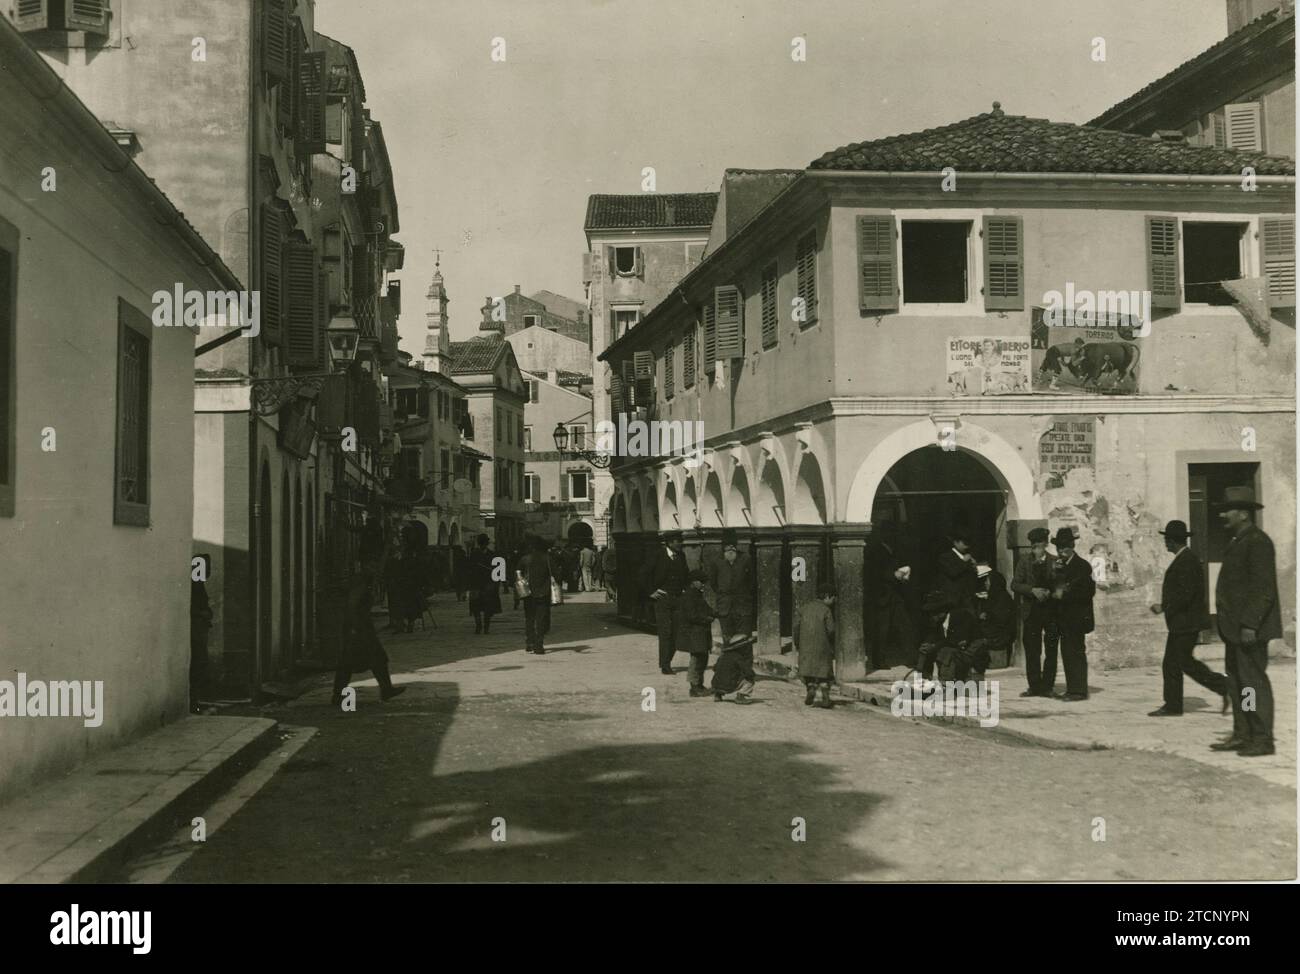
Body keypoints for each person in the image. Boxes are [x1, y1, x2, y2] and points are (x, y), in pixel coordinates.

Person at [1212, 487, 1278, 757]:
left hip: (1248, 630)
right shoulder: (1239, 540)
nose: (1222, 514)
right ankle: (1243, 733)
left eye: (1228, 510)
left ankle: (1261, 738)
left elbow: (1264, 589)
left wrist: (1250, 624)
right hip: (1235, 630)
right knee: (1238, 683)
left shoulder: (1258, 542)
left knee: (1251, 684)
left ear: (1243, 513)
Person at [1148, 519, 1223, 718]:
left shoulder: (1187, 561)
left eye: (1167, 540)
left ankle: (1227, 688)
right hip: (1183, 622)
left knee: (1179, 663)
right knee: (1181, 663)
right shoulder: (1185, 559)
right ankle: (1175, 704)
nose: (1165, 543)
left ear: (1172, 541)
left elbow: (1185, 594)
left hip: (1186, 622)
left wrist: (1163, 606)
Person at [332, 556, 407, 706]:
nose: (376, 567)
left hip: (360, 625)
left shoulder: (367, 580)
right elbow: (352, 604)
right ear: (365, 565)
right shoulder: (361, 581)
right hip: (359, 627)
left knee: (358, 660)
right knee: (367, 659)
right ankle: (385, 690)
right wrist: (354, 627)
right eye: (373, 564)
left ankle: (339, 695)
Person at [1011, 526, 1059, 697]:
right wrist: (1032, 591)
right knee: (1032, 650)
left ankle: (1048, 686)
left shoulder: (1054, 560)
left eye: (1039, 545)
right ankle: (1034, 686)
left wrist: (1049, 592)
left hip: (1051, 611)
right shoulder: (1024, 561)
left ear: (1045, 544)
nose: (1036, 549)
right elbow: (1015, 584)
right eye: (1033, 546)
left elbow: (1060, 583)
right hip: (1031, 611)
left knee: (1051, 649)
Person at [1050, 527, 1095, 701]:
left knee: (1076, 652)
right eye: (1058, 548)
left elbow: (1087, 592)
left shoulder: (1082, 566)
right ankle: (1072, 688)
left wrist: (1065, 593)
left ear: (1072, 546)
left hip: (1077, 617)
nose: (1061, 551)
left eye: (1064, 547)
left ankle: (1079, 690)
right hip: (1064, 618)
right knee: (1067, 652)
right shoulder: (1060, 566)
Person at [864, 520, 914, 666]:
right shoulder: (876, 550)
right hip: (881, 595)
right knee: (881, 629)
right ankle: (879, 661)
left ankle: (912, 659)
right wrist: (894, 575)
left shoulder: (893, 549)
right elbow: (874, 573)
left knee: (904, 625)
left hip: (894, 595)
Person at [640, 530, 689, 674]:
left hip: (678, 598)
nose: (680, 544)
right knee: (665, 632)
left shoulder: (681, 556)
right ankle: (665, 664)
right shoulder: (657, 556)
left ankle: (667, 660)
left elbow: (685, 575)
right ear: (669, 542)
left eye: (681, 541)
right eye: (677, 541)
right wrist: (651, 591)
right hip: (663, 599)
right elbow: (643, 574)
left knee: (677, 632)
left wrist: (686, 590)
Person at [913, 590, 977, 683]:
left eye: (932, 613)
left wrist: (934, 646)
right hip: (954, 649)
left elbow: (957, 641)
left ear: (941, 612)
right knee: (925, 650)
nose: (931, 617)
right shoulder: (940, 621)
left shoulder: (960, 616)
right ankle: (922, 682)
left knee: (946, 652)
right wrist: (927, 645)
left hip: (970, 652)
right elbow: (935, 636)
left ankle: (946, 683)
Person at [967, 564, 1015, 681]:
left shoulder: (1002, 598)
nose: (986, 584)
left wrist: (987, 616)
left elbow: (1001, 621)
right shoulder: (994, 597)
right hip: (994, 631)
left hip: (999, 635)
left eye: (988, 581)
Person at [707, 529, 754, 643]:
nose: (731, 548)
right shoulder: (716, 561)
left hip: (742, 606)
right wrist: (723, 593)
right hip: (725, 607)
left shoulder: (746, 558)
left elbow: (752, 581)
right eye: (727, 545)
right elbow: (713, 583)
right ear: (723, 546)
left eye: (733, 544)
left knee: (743, 638)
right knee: (728, 639)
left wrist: (743, 594)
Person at [795, 582, 836, 709]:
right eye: (833, 598)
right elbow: (831, 630)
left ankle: (811, 687)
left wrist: (798, 644)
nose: (834, 601)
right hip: (823, 646)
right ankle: (824, 692)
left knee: (808, 671)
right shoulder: (826, 610)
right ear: (827, 596)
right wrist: (832, 644)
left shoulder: (804, 608)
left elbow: (796, 628)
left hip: (805, 646)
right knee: (824, 671)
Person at [680, 568, 716, 697]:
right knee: (696, 660)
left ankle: (699, 685)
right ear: (693, 582)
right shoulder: (689, 595)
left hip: (701, 632)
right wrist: (707, 618)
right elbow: (691, 616)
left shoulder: (697, 594)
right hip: (695, 632)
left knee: (702, 659)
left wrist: (714, 613)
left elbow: (707, 609)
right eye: (701, 581)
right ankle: (694, 687)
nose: (703, 584)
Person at [518, 535, 553, 654]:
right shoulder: (547, 558)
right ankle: (539, 644)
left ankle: (529, 642)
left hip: (528, 593)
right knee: (541, 618)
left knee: (529, 618)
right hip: (543, 593)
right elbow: (556, 575)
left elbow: (518, 575)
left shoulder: (524, 559)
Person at [190, 556, 213, 713]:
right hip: (196, 629)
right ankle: (193, 701)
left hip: (199, 628)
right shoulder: (195, 584)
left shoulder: (198, 583)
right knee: (198, 662)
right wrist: (204, 614)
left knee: (200, 662)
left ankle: (194, 700)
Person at [468, 533, 502, 634]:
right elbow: (470, 569)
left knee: (488, 607)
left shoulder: (491, 555)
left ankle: (486, 626)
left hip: (488, 584)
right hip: (476, 584)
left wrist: (495, 582)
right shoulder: (474, 554)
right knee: (476, 606)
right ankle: (479, 625)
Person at [937, 531, 979, 610]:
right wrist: (964, 561)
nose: (967, 546)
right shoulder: (945, 557)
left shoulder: (969, 557)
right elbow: (952, 572)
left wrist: (975, 567)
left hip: (968, 600)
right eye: (964, 543)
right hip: (953, 601)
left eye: (968, 543)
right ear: (955, 542)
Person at [711, 632, 757, 703]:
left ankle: (717, 695)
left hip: (715, 685)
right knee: (750, 680)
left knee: (722, 677)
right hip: (729, 686)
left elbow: (714, 668)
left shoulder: (723, 656)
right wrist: (751, 674)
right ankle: (741, 696)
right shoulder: (738, 657)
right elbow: (747, 671)